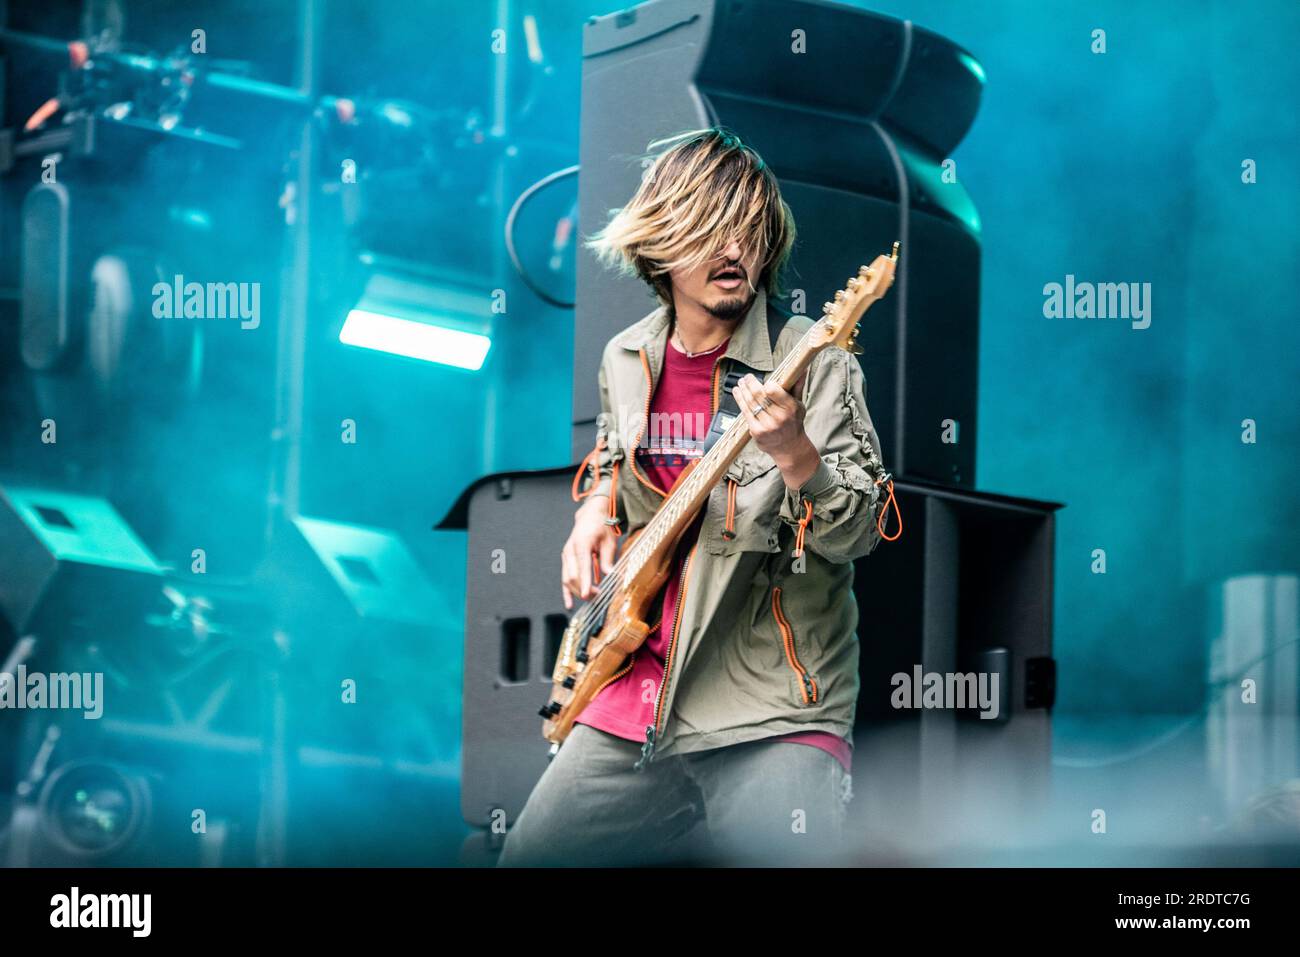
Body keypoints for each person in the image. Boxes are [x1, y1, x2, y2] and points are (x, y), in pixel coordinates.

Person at [497, 127, 897, 866]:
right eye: (713, 230)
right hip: (634, 686)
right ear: (659, 242)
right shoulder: (627, 355)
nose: (736, 251)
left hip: (770, 702)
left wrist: (796, 453)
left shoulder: (818, 362)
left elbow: (860, 531)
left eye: (751, 232)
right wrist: (595, 506)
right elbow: (618, 455)